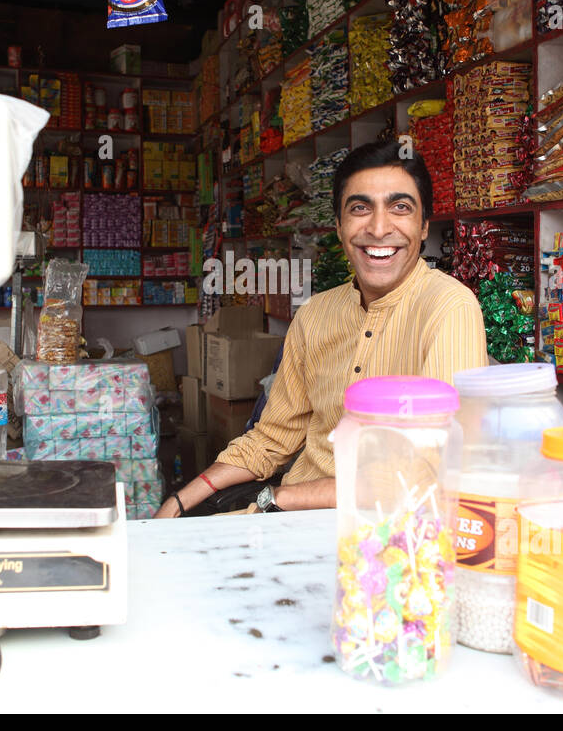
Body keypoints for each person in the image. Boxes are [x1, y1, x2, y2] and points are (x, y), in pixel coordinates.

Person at [156, 139, 488, 518]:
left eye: (400, 207)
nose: (379, 228)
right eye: (360, 208)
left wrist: (279, 500)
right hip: (287, 522)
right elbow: (271, 438)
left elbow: (430, 467)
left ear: (425, 225)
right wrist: (180, 499)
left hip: (388, 536)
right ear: (339, 226)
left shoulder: (448, 308)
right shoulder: (315, 315)